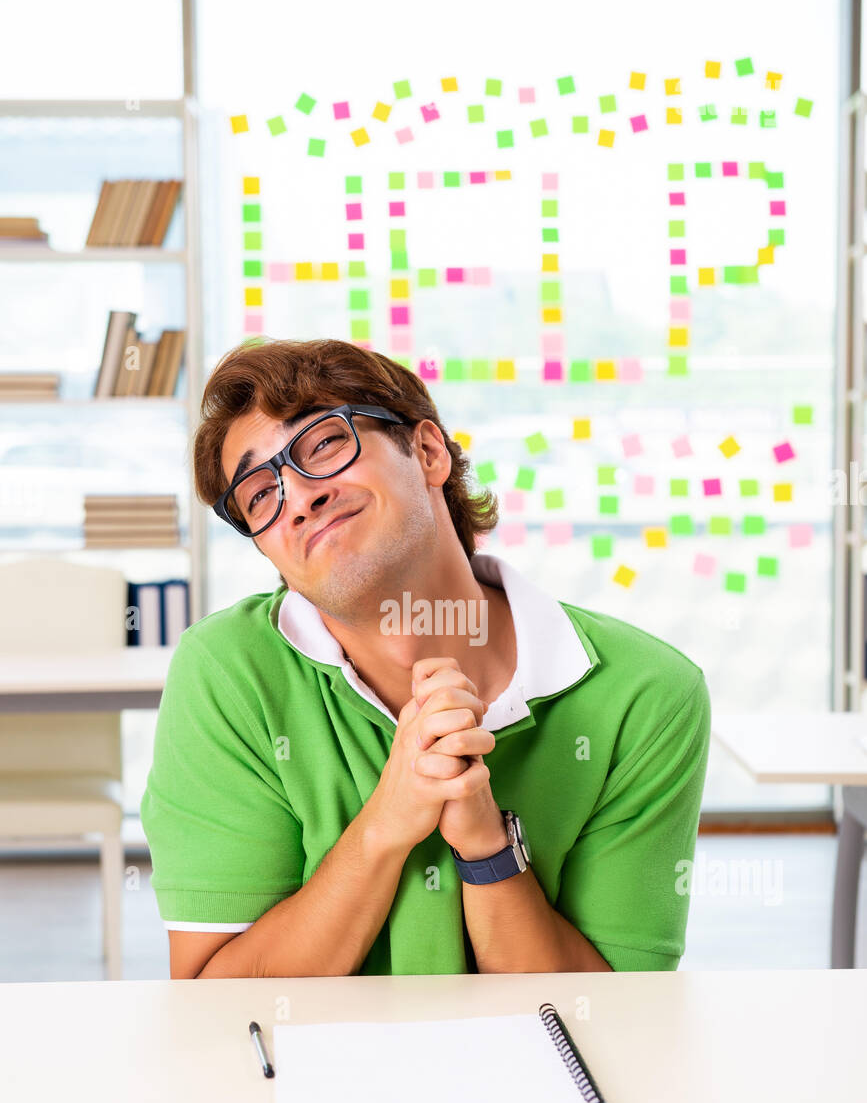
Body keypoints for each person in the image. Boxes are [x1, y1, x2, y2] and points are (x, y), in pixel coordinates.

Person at [141, 337, 711, 979]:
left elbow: (616, 1012)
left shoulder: (648, 694)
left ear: (428, 451)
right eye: (259, 494)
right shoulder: (227, 673)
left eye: (324, 443)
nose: (299, 497)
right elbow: (210, 1000)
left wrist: (488, 846)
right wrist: (387, 823)